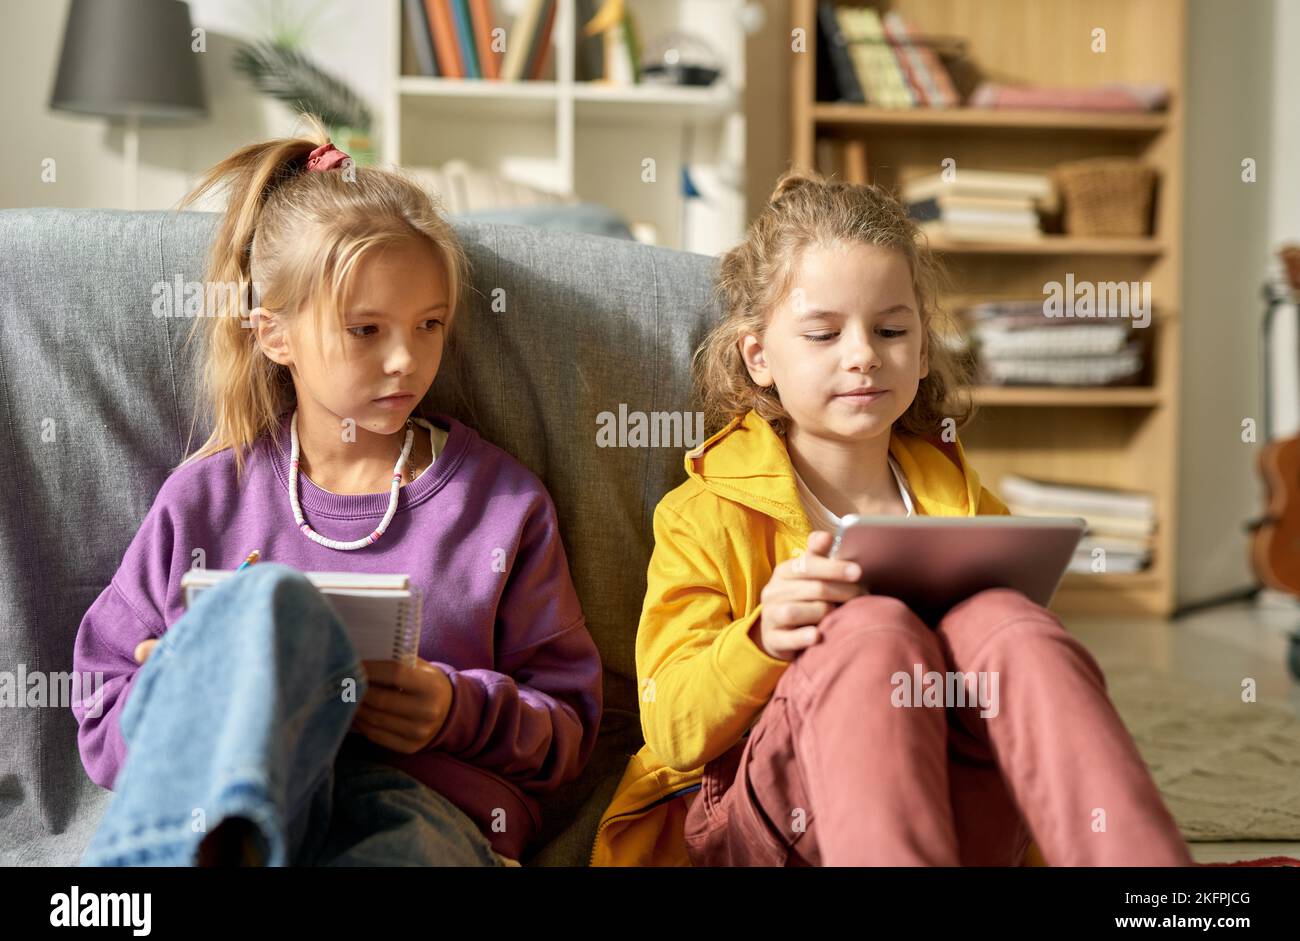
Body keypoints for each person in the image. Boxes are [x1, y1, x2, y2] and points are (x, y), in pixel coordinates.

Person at [591, 169, 1191, 867]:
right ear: (759, 358)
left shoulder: (956, 494)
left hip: (956, 808)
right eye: (822, 334)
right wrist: (762, 640)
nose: (864, 356)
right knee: (872, 630)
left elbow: (1023, 697)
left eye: (891, 329)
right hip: (772, 825)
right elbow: (671, 728)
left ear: (924, 346)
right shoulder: (705, 512)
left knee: (1014, 626)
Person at [72, 115, 602, 867]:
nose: (404, 360)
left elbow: (572, 730)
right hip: (242, 793)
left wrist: (457, 708)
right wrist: (179, 693)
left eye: (429, 325)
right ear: (273, 334)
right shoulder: (207, 498)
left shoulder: (501, 507)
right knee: (264, 605)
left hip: (426, 804)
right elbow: (99, 708)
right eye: (365, 330)